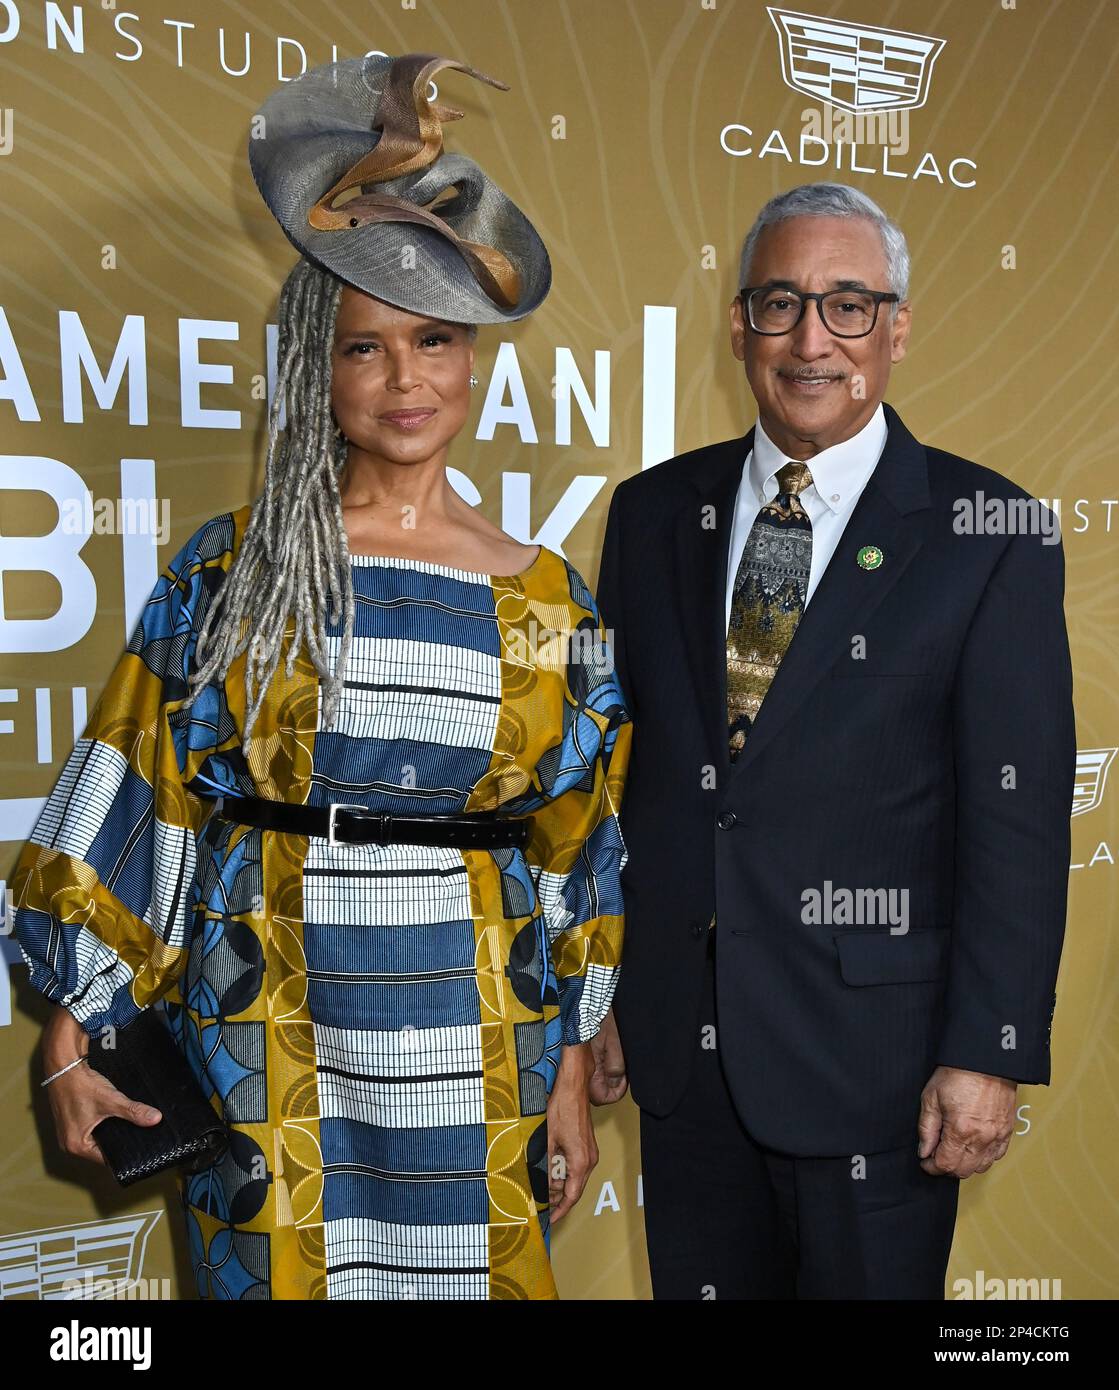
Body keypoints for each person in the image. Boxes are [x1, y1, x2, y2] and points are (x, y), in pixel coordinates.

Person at [11, 52, 631, 1302]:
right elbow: (142, 787)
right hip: (267, 1030)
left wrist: (569, 1065)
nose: (406, 380)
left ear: (475, 360)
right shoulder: (235, 571)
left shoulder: (547, 597)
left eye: (437, 341)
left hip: (484, 1042)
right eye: (366, 349)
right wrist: (70, 1033)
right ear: (315, 368)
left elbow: (576, 848)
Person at [592, 182, 1075, 1299]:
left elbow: (1016, 812)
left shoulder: (987, 534)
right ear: (739, 325)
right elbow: (627, 780)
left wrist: (990, 1050)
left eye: (848, 305)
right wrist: (610, 994)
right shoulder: (655, 512)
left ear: (896, 328)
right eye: (781, 303)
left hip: (883, 1071)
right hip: (684, 1060)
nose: (812, 339)